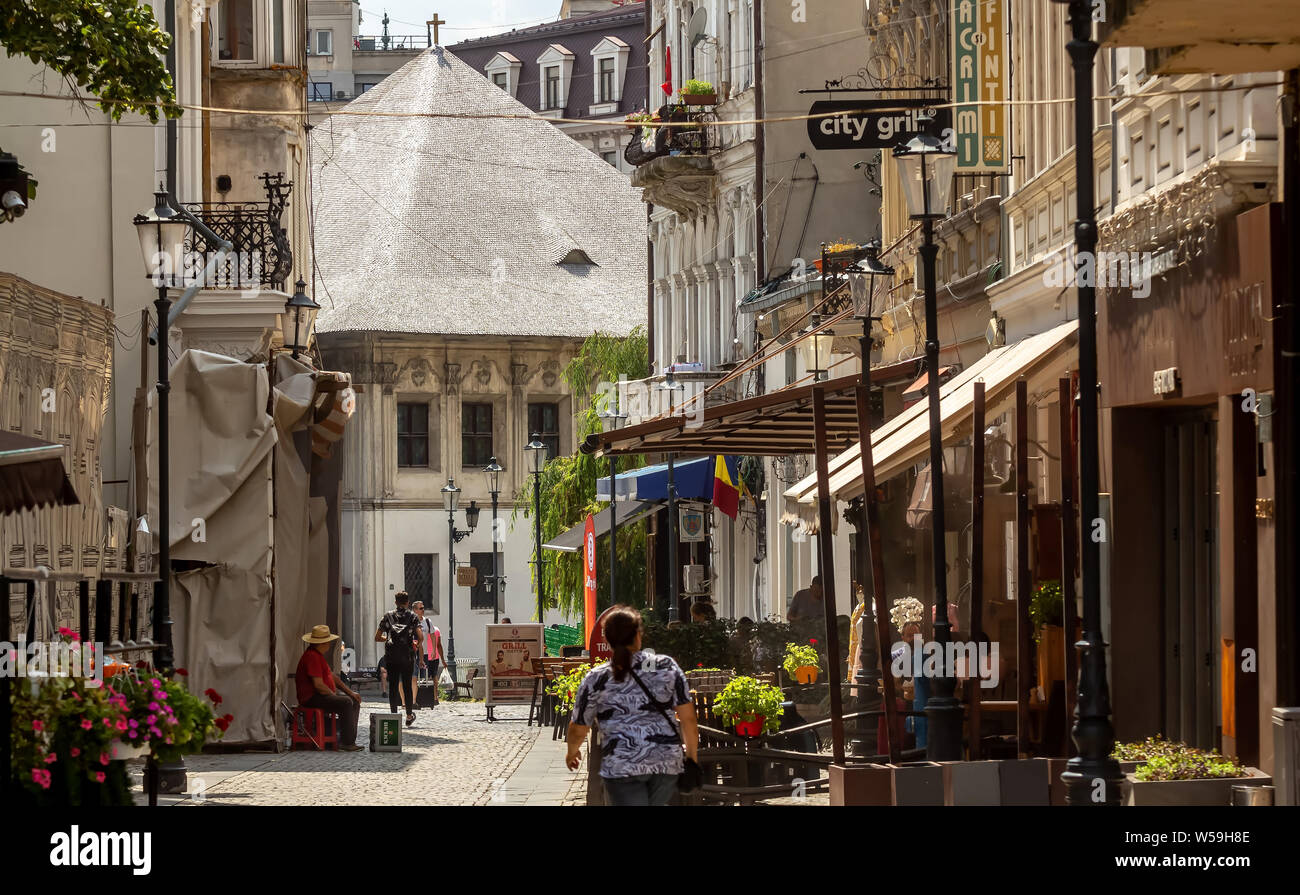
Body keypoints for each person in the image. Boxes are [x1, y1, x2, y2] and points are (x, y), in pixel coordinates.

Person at [565, 605, 699, 807]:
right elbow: (688, 719)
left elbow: (579, 727)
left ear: (607, 640)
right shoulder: (666, 666)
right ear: (638, 635)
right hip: (665, 762)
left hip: (622, 764)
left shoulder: (596, 678)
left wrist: (571, 752)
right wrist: (691, 758)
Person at [296, 624, 363, 751]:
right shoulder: (312, 656)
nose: (329, 645)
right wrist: (334, 696)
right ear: (322, 643)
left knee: (353, 700)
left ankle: (349, 739)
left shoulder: (318, 656)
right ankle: (347, 743)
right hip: (311, 698)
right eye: (327, 642)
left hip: (320, 695)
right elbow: (319, 685)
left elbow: (332, 677)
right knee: (346, 702)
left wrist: (350, 692)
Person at [375, 590, 421, 726]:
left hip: (391, 657)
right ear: (407, 602)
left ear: (395, 602)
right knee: (407, 686)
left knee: (393, 686)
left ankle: (394, 716)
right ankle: (408, 716)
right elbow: (420, 637)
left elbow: (377, 637)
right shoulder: (413, 616)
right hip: (407, 656)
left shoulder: (387, 616)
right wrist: (415, 644)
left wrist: (388, 638)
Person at [412, 601, 442, 695]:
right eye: (421, 608)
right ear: (415, 610)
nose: (423, 610)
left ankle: (422, 697)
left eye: (423, 608)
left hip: (424, 653)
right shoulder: (410, 621)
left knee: (423, 676)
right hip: (412, 653)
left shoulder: (427, 621)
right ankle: (413, 697)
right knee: (413, 676)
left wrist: (433, 650)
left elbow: (433, 635)